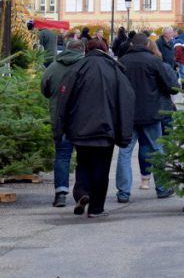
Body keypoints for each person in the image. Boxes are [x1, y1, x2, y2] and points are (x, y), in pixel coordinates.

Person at [54, 40, 135, 218]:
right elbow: (126, 101)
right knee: (101, 168)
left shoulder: (77, 69)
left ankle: (82, 192)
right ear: (105, 50)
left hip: (80, 128)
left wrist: (60, 128)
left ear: (86, 51)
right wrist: (124, 133)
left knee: (83, 162)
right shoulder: (115, 71)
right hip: (106, 128)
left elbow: (63, 99)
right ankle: (96, 208)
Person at [115, 33, 179, 203]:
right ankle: (163, 188)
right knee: (157, 150)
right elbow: (170, 86)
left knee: (125, 152)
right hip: (151, 112)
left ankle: (123, 191)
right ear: (146, 44)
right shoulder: (154, 61)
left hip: (128, 114)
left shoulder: (122, 61)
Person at [40, 37, 86, 207]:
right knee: (84, 157)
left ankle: (60, 194)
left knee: (62, 156)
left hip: (60, 119)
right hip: (83, 121)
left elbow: (44, 89)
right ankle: (82, 192)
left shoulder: (53, 67)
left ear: (66, 49)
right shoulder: (85, 66)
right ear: (82, 50)